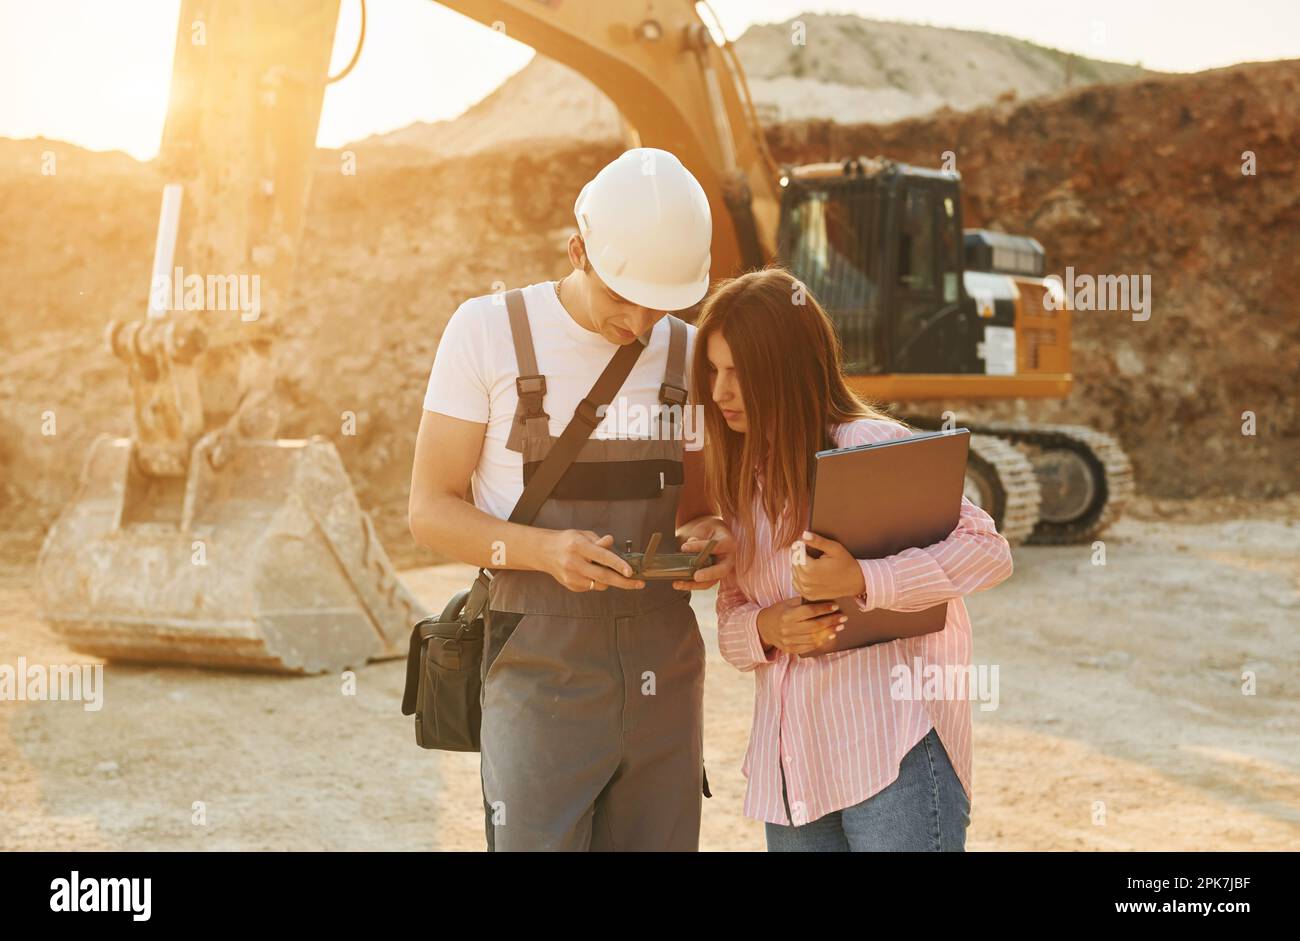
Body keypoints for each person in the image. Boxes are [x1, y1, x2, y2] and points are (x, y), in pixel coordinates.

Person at [408, 147, 734, 851]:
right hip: (536, 657)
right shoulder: (487, 332)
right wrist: (544, 552)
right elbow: (429, 509)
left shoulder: (688, 352)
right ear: (576, 249)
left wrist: (711, 541)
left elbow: (699, 511)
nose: (641, 323)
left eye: (661, 304)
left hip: (663, 669)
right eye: (624, 297)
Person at [693, 266, 1013, 851]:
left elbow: (988, 551)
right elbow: (733, 621)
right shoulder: (743, 481)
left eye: (739, 372)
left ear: (787, 368)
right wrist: (768, 626)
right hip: (794, 765)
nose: (720, 393)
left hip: (894, 753)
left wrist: (864, 578)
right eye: (713, 372)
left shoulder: (867, 444)